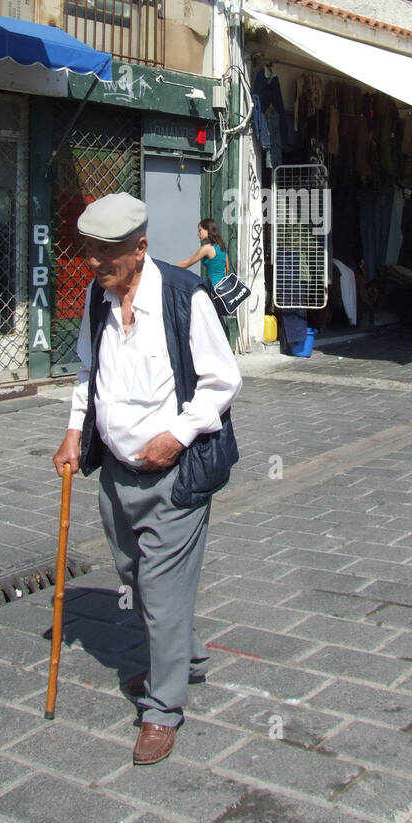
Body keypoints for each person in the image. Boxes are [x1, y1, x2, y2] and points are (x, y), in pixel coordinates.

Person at [53, 194, 242, 767]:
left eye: (106, 255)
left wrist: (178, 435)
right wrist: (72, 430)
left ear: (140, 249)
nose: (94, 266)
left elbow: (222, 381)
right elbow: (88, 369)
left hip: (174, 475)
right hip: (115, 472)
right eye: (88, 254)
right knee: (133, 575)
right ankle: (185, 656)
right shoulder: (97, 297)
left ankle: (163, 709)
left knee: (158, 589)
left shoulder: (187, 298)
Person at [178, 217, 228, 319]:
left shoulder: (207, 248)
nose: (198, 233)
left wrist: (166, 267)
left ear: (208, 230)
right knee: (217, 319)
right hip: (222, 289)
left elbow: (187, 263)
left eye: (200, 230)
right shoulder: (222, 247)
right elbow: (227, 268)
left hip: (213, 289)